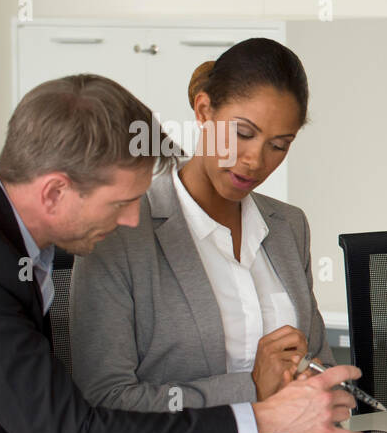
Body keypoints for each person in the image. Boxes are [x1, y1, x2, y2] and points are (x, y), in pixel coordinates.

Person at [0, 74, 364, 433]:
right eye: (122, 203)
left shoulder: (9, 241)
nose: (131, 220)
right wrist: (263, 423)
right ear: (54, 192)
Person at [70, 38, 332, 411]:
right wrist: (251, 388)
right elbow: (105, 400)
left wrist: (322, 389)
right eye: (242, 133)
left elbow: (320, 365)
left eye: (279, 144)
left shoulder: (288, 226)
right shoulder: (122, 228)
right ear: (204, 110)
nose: (255, 160)